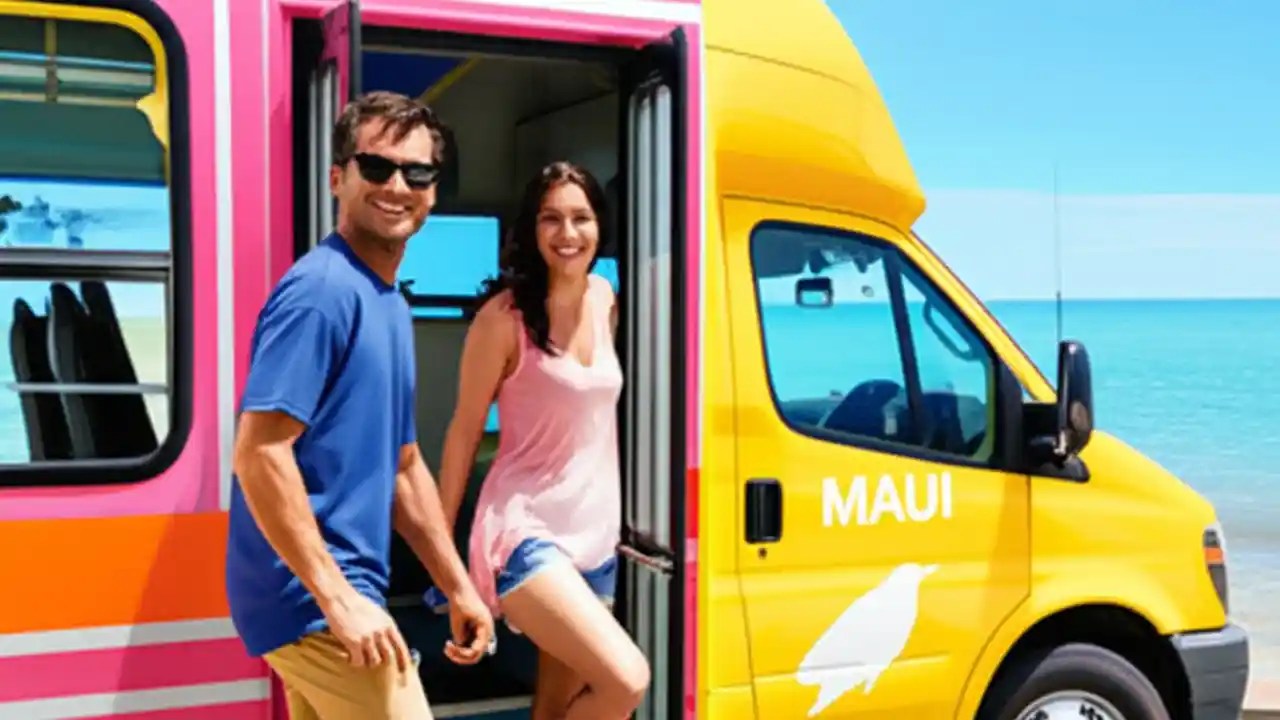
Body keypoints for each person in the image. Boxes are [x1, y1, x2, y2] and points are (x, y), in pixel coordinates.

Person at [225, 90, 495, 720]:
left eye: (417, 172)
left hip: (328, 596)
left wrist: (457, 584)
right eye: (377, 168)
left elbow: (403, 467)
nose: (397, 185)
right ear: (337, 179)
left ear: (432, 190)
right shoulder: (324, 292)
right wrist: (337, 599)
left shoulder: (387, 301)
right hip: (313, 601)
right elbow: (260, 452)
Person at [435, 160, 650, 720]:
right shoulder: (502, 320)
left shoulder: (607, 299)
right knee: (626, 682)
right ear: (532, 229)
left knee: (554, 707)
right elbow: (462, 433)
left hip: (596, 537)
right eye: (551, 218)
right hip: (524, 530)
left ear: (599, 227)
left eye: (581, 218)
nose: (567, 233)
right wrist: (443, 562)